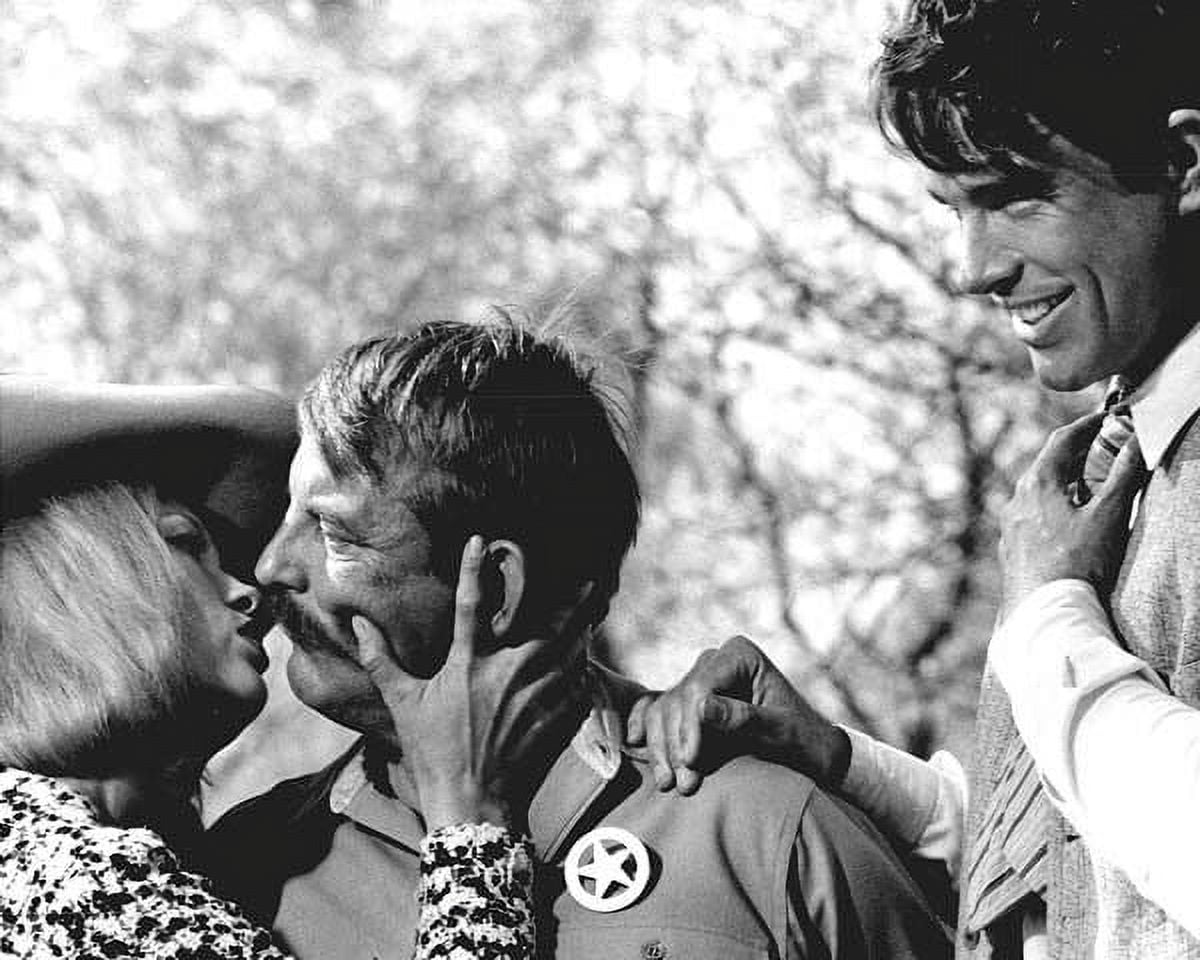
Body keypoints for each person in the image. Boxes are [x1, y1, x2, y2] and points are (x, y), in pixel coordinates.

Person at [628, 0, 1200, 958]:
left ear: (1183, 165)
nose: (974, 269)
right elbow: (1100, 876)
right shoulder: (1127, 461)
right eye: (953, 208)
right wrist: (840, 762)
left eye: (1016, 195)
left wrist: (1048, 617)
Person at [203, 317, 952, 959]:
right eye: (286, 519)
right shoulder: (251, 872)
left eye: (334, 532)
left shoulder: (768, 834)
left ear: (496, 588)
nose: (271, 567)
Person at [0, 376, 543, 958]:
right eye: (187, 545)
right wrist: (469, 824)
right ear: (76, 590)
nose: (251, 593)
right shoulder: (74, 882)